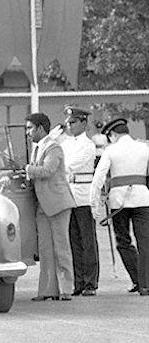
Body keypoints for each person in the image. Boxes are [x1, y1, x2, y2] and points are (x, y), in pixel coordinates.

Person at [90, 118, 149, 295]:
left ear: (112, 135)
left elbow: (99, 178)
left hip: (119, 202)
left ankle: (138, 280)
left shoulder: (111, 150)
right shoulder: (144, 148)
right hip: (142, 199)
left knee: (123, 242)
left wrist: (94, 206)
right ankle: (146, 284)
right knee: (145, 242)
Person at [25, 113, 76, 301]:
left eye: (30, 128)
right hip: (42, 205)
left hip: (58, 204)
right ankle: (47, 290)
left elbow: (47, 170)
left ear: (40, 128)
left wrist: (27, 170)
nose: (28, 132)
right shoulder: (37, 148)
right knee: (45, 249)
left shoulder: (53, 147)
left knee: (61, 248)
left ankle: (66, 289)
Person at [60, 107, 99, 296]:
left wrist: (61, 164)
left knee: (87, 240)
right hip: (69, 194)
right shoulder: (66, 143)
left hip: (83, 194)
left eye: (73, 122)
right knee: (73, 241)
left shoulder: (88, 145)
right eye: (68, 122)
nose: (70, 126)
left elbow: (69, 164)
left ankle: (91, 282)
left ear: (84, 123)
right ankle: (78, 282)